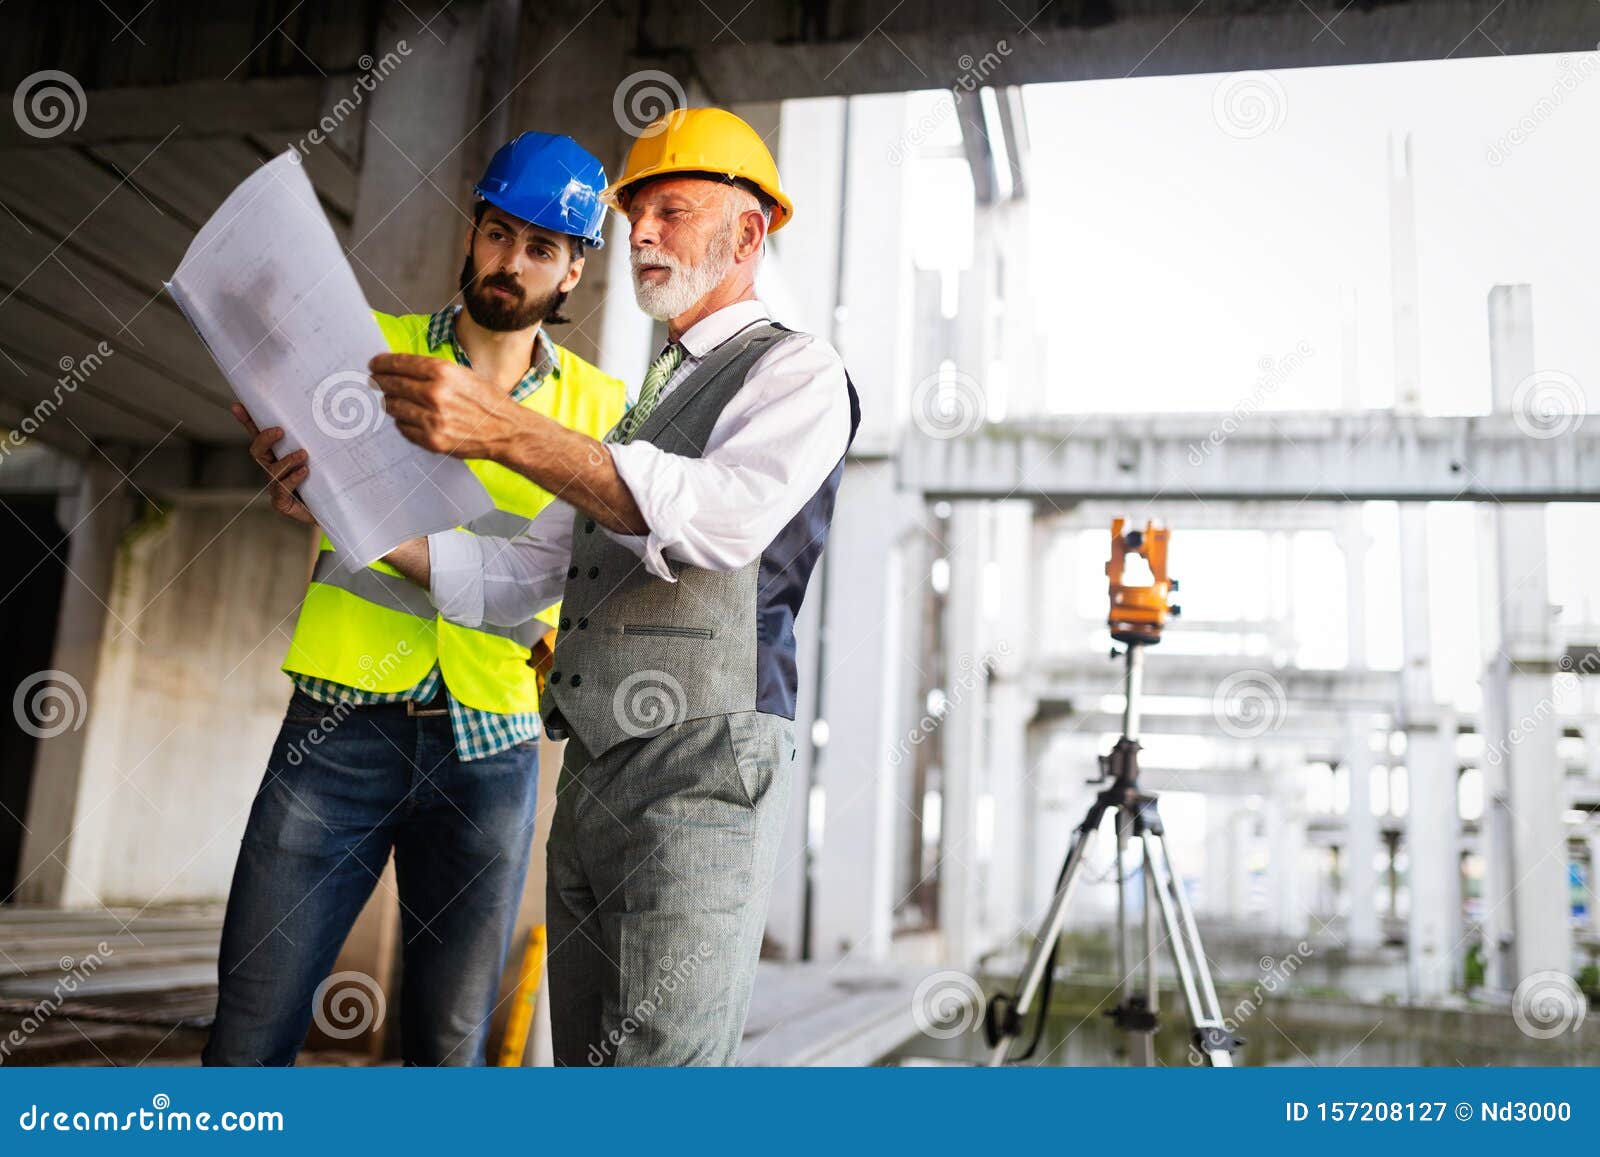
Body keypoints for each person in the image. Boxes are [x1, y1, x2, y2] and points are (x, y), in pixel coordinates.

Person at [206, 132, 627, 1066]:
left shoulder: (603, 410)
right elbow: (307, 475)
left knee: (446, 1047)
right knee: (250, 1026)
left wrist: (578, 648)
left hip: (492, 742)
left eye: (541, 248)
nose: (510, 261)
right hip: (339, 725)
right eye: (497, 233)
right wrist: (290, 482)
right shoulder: (371, 349)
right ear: (472, 236)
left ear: (573, 274)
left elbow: (602, 571)